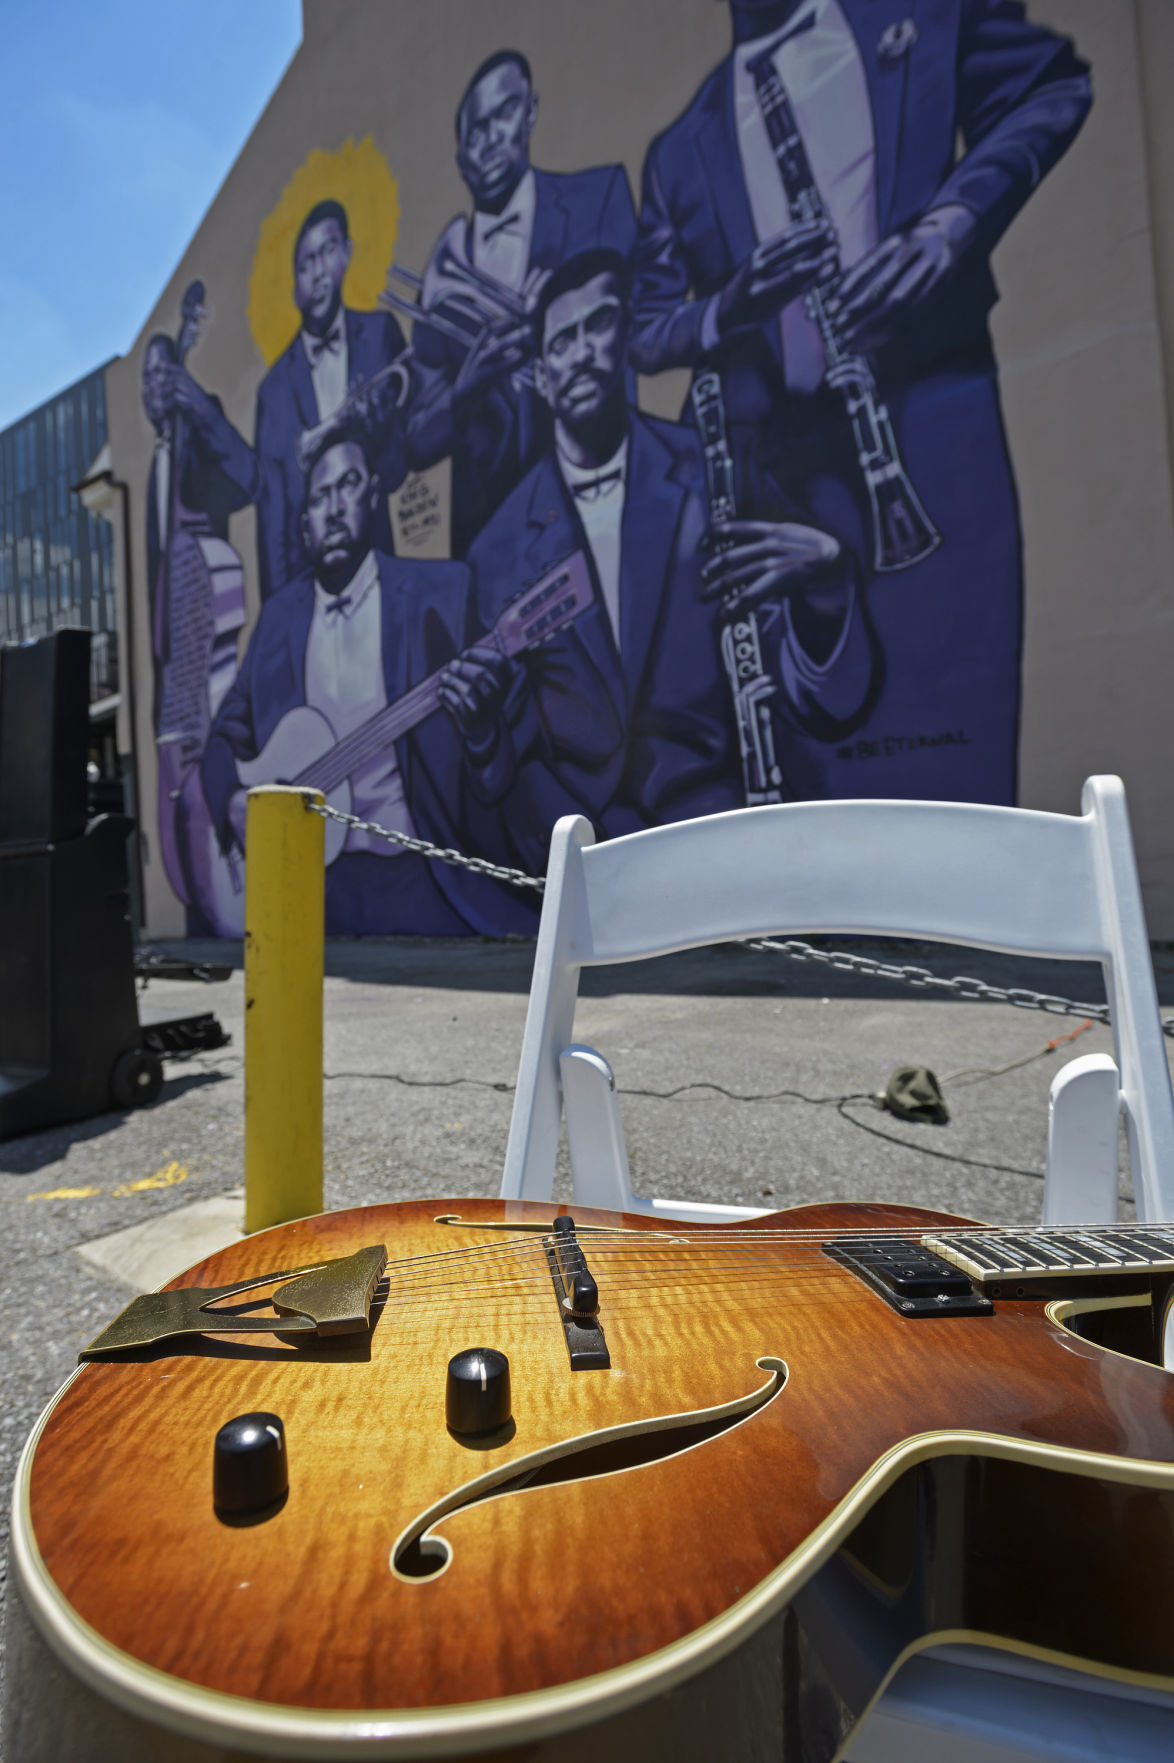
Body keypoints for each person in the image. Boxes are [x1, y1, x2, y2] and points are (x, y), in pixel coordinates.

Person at [629, 0, 1092, 806]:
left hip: (935, 424)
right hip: (787, 469)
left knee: (964, 727)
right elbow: (643, 330)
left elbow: (1052, 88)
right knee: (822, 752)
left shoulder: (920, 18)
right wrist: (732, 304)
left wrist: (950, 225)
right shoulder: (679, 148)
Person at [468, 248, 878, 873]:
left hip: (717, 831)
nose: (580, 352)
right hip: (572, 849)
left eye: (598, 326)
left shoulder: (715, 468)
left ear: (628, 337)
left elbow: (815, 698)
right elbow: (504, 759)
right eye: (562, 341)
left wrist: (826, 585)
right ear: (541, 376)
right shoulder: (495, 549)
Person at [202, 422, 530, 935]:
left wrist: (484, 732)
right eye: (319, 496)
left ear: (374, 496)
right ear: (304, 521)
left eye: (348, 485)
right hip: (306, 883)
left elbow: (500, 769)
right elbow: (224, 736)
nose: (333, 508)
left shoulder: (441, 593)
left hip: (416, 878)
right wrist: (232, 806)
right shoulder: (277, 621)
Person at [406, 49, 638, 557]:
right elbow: (416, 442)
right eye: (474, 131)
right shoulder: (441, 279)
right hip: (490, 536)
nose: (489, 140)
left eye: (503, 115)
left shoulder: (598, 200)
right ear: (459, 159)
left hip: (602, 498)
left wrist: (557, 319)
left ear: (530, 113)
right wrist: (466, 388)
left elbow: (639, 336)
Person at [254, 200, 409, 601]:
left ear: (347, 254)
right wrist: (281, 610)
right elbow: (274, 521)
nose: (319, 273)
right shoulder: (272, 392)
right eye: (305, 264)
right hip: (312, 585)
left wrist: (378, 430)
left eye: (327, 252)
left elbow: (400, 466)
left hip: (378, 562)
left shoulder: (380, 335)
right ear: (293, 287)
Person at [142, 333, 255, 602]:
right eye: (145, 377)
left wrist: (202, 409)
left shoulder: (203, 426)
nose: (150, 386)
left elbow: (248, 480)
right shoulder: (156, 465)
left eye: (159, 372)